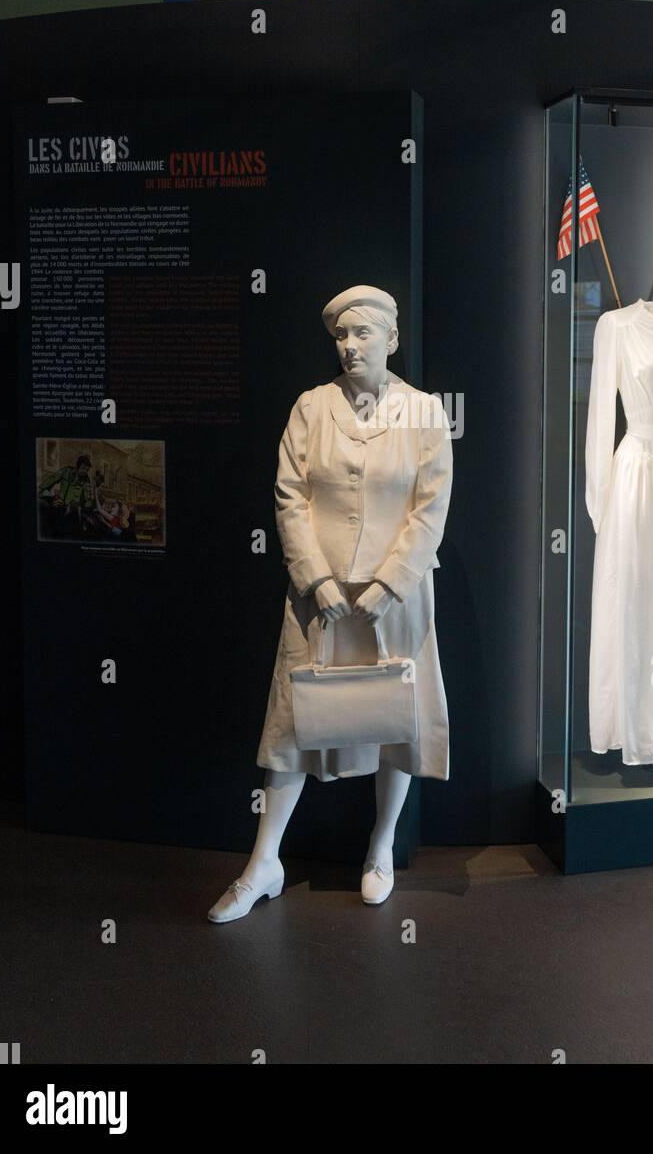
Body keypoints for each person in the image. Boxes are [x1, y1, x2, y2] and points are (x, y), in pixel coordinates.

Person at [208, 285, 453, 920]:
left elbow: (431, 509)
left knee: (393, 716)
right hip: (318, 601)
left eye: (362, 334)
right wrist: (314, 578)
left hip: (393, 599)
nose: (349, 346)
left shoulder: (425, 413)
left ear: (391, 339)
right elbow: (289, 495)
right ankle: (265, 863)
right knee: (293, 724)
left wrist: (390, 581)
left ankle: (380, 847)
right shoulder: (311, 409)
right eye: (341, 336)